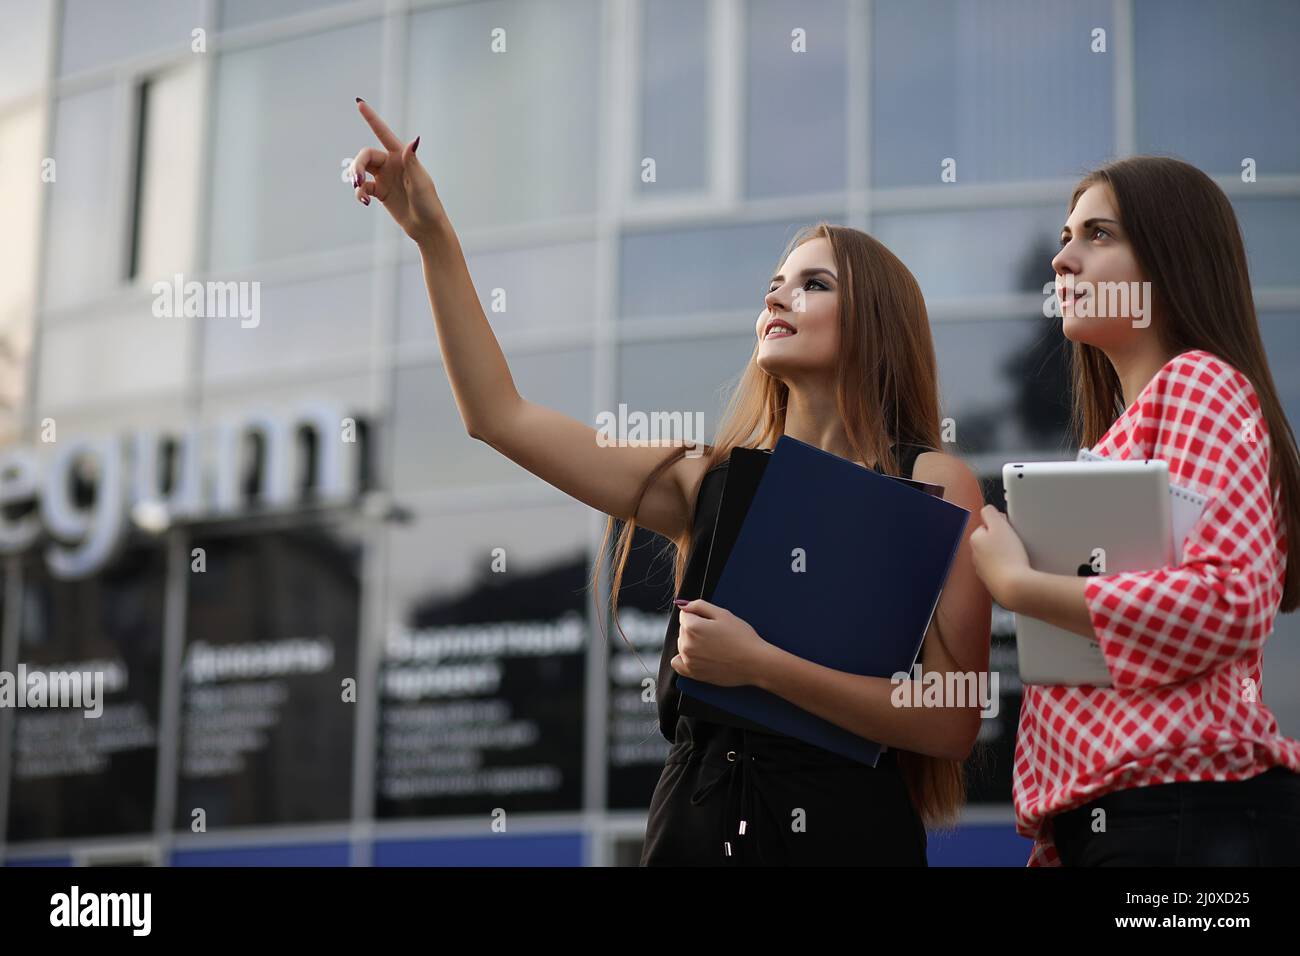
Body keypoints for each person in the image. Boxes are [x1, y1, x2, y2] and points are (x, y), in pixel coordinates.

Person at [345, 98, 991, 867]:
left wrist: (759, 667)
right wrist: (432, 237)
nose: (776, 297)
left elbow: (952, 721)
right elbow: (498, 415)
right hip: (693, 831)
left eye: (813, 284)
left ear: (875, 321)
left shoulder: (932, 480)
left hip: (847, 836)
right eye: (775, 282)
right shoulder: (704, 481)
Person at [970, 156, 1300, 866]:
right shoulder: (1123, 439)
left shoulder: (1200, 382)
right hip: (1141, 819)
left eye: (1097, 235)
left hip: (1184, 812)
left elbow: (1232, 598)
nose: (1063, 258)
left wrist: (1020, 586)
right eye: (1066, 236)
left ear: (1170, 259)